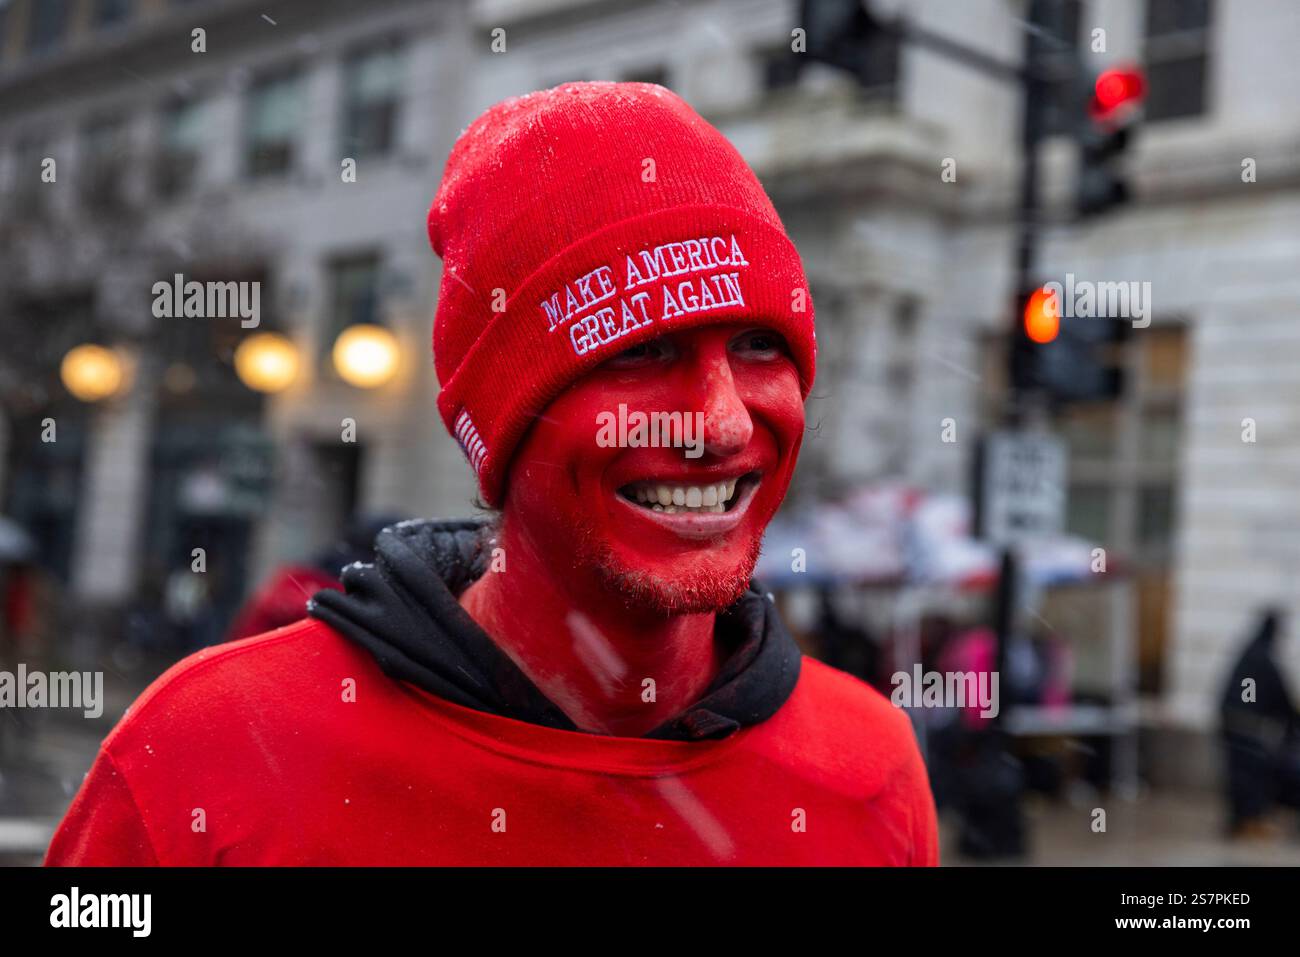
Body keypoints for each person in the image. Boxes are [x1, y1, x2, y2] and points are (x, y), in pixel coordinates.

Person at [45, 82, 938, 866]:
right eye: (643, 351)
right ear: (503, 426)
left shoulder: (869, 764)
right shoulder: (206, 751)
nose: (722, 421)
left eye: (757, 345)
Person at [1218, 607, 1300, 837]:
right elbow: (1279, 694)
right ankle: (1247, 822)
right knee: (1249, 776)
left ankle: (1242, 821)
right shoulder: (1263, 658)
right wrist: (1292, 720)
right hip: (1245, 727)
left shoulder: (1250, 652)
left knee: (1238, 775)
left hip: (1231, 722)